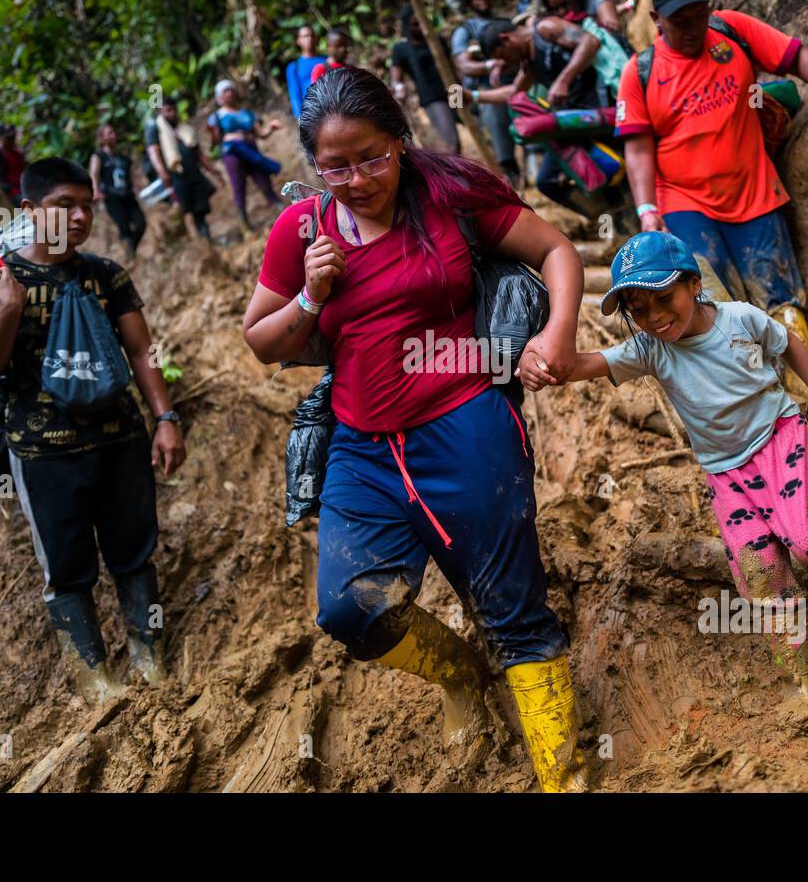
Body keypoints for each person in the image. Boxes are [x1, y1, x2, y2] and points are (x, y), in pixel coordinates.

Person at [242, 67, 590, 792]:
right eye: (334, 167)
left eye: (371, 157)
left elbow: (555, 251)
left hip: (465, 423)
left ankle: (566, 775)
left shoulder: (452, 193)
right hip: (362, 446)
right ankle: (463, 675)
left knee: (511, 606)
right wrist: (312, 292)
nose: (356, 178)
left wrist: (556, 334)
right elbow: (264, 342)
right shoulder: (300, 229)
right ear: (313, 166)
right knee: (349, 609)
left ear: (399, 142)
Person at [521, 231, 808, 721]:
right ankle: (802, 680)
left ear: (693, 285)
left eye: (664, 298)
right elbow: (586, 363)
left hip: (779, 438)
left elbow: (787, 340)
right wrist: (545, 362)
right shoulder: (649, 350)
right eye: (639, 310)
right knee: (760, 573)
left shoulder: (740, 320)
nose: (655, 317)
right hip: (725, 472)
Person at [0, 157, 186, 705]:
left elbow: (141, 350)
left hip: (120, 440)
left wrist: (165, 417)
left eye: (87, 205)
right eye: (65, 206)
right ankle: (96, 681)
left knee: (135, 553)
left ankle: (149, 660)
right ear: (31, 211)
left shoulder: (106, 274)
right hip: (42, 456)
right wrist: (8, 311)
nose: (80, 216)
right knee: (66, 569)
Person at [616, 0, 808, 369]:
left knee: (779, 297)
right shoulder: (639, 73)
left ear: (711, 8)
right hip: (684, 201)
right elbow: (638, 149)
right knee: (708, 302)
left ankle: (801, 395)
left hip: (753, 191)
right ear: (656, 20)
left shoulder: (731, 30)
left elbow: (794, 56)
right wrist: (646, 210)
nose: (692, 29)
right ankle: (748, 398)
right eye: (679, 21)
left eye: (699, 16)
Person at [472, 17, 611, 212]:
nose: (506, 62)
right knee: (547, 182)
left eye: (503, 56)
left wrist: (564, 79)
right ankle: (605, 216)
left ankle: (621, 213)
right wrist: (473, 96)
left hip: (599, 109)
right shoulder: (528, 61)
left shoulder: (546, 28)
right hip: (569, 123)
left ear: (506, 39)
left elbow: (590, 42)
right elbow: (514, 93)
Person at [449, 0, 520, 184]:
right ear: (469, 3)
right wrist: (491, 64)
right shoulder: (465, 31)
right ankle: (510, 171)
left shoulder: (504, 23)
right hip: (486, 89)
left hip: (518, 83)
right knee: (497, 126)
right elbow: (464, 65)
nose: (483, 0)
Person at [206, 79, 283, 231]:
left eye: (231, 89)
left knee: (263, 180)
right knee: (238, 186)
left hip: (251, 149)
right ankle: (245, 224)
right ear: (219, 97)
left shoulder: (247, 113)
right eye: (225, 91)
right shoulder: (216, 117)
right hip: (232, 153)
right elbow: (214, 142)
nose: (229, 93)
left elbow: (260, 134)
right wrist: (223, 137)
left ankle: (280, 209)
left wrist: (271, 127)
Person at [145, 100, 222, 244]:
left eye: (174, 110)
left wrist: (213, 170)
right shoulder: (156, 130)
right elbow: (153, 153)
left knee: (199, 210)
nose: (173, 113)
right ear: (161, 112)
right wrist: (162, 173)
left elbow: (198, 153)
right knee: (183, 211)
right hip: (176, 178)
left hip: (193, 175)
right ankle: (190, 243)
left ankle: (206, 241)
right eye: (168, 110)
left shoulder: (185, 130)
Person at [391, 4, 460, 155]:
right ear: (407, 25)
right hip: (432, 97)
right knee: (452, 141)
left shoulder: (437, 40)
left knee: (467, 125)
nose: (420, 26)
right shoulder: (401, 48)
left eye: (422, 21)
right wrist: (399, 88)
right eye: (415, 24)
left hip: (454, 90)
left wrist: (460, 90)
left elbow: (453, 67)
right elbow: (396, 77)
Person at [89, 124, 147, 260]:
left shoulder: (122, 157)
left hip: (127, 195)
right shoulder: (98, 156)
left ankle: (131, 251)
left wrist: (137, 187)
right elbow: (94, 173)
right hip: (111, 197)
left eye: (114, 132)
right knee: (124, 227)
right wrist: (96, 191)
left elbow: (131, 175)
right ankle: (130, 257)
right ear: (102, 138)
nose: (113, 135)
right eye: (109, 133)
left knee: (141, 223)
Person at [285, 24, 326, 121]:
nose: (309, 39)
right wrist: (299, 119)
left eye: (312, 35)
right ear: (298, 41)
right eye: (305, 36)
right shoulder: (294, 67)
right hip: (310, 115)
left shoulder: (326, 61)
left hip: (330, 111)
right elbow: (294, 94)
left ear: (316, 38)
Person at [0, 124, 27, 206]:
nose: (12, 140)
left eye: (13, 137)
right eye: (8, 138)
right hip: (11, 194)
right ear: (0, 137)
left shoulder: (17, 154)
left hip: (23, 190)